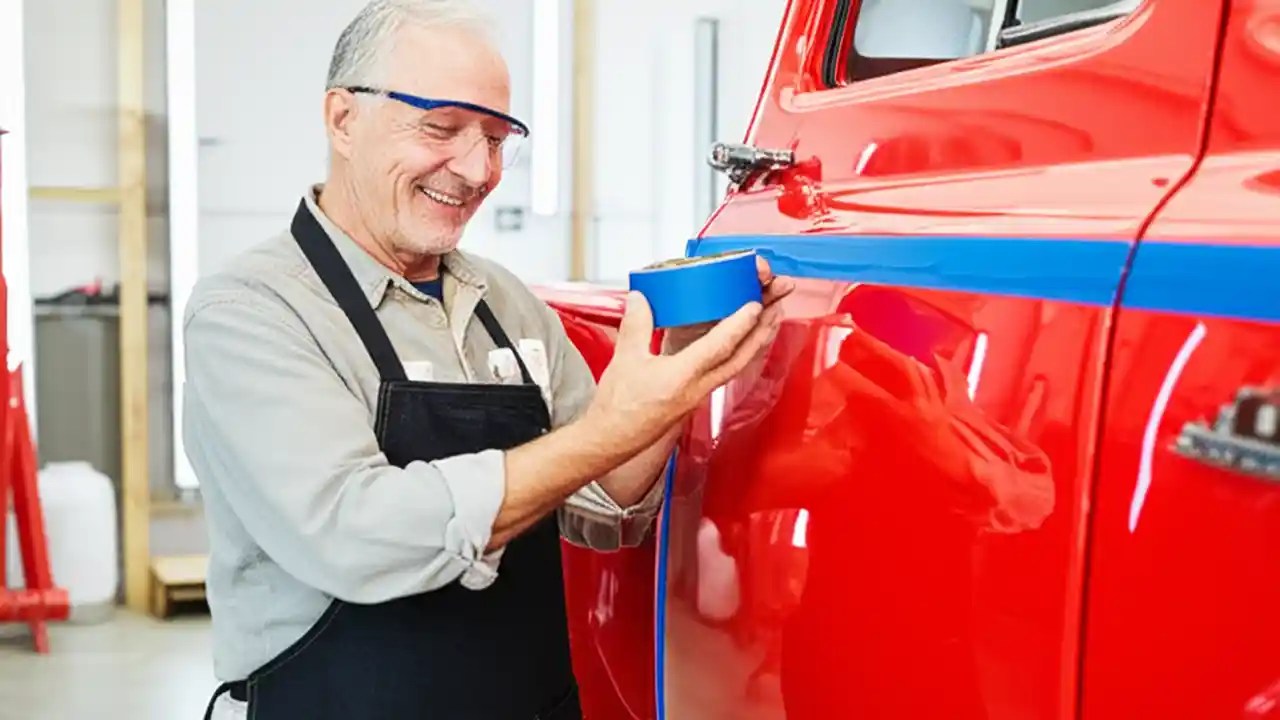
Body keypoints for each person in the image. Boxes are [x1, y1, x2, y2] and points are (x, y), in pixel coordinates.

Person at [184, 1, 793, 719]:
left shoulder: (504, 302)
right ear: (343, 120)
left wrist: (680, 372)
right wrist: (607, 430)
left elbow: (604, 507)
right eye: (441, 127)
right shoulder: (250, 312)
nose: (478, 169)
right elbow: (353, 535)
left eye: (498, 139)